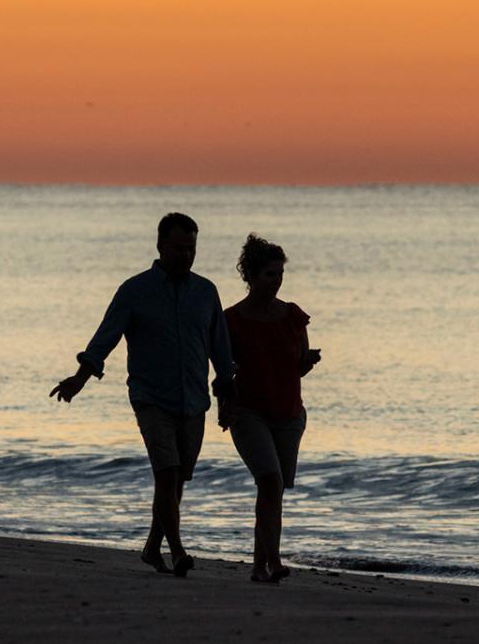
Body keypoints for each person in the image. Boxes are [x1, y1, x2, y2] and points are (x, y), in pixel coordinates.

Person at [50, 213, 235, 577]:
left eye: (191, 248)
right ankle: (179, 552)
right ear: (160, 246)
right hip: (151, 398)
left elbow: (222, 353)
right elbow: (105, 337)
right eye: (179, 248)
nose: (186, 255)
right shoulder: (135, 291)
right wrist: (79, 379)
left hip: (194, 400)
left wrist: (227, 401)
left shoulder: (206, 292)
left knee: (177, 478)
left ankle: (152, 547)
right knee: (166, 474)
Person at [220, 234, 320, 584]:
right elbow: (222, 370)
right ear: (249, 275)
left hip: (289, 413)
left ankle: (258, 566)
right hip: (248, 412)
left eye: (279, 274)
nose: (276, 281)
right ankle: (274, 561)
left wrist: (307, 361)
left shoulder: (292, 315)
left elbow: (298, 364)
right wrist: (224, 406)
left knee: (273, 490)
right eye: (268, 274)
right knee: (269, 479)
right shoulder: (231, 320)